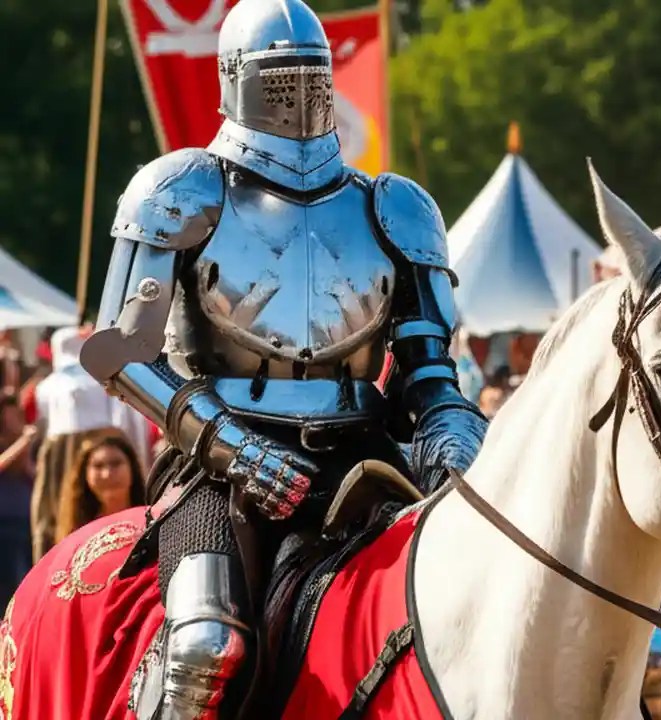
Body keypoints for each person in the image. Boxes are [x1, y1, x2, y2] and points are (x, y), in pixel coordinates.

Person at [78, 1, 488, 716]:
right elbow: (120, 351)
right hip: (219, 460)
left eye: (311, 76)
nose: (298, 96)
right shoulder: (182, 190)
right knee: (203, 646)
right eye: (279, 77)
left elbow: (428, 366)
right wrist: (231, 446)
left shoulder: (395, 207)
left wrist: (453, 429)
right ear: (237, 78)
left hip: (367, 454)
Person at [30, 326, 151, 560]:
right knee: (59, 511)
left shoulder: (58, 385)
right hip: (65, 455)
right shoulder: (52, 386)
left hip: (96, 447)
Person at [54, 431, 147, 543]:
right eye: (98, 466)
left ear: (132, 469)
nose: (107, 474)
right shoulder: (75, 536)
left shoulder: (154, 522)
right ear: (85, 475)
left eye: (116, 463)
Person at [0, 396, 37, 606]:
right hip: (3, 522)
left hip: (23, 521)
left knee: (20, 580)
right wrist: (22, 443)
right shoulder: (15, 444)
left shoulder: (25, 443)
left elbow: (32, 474)